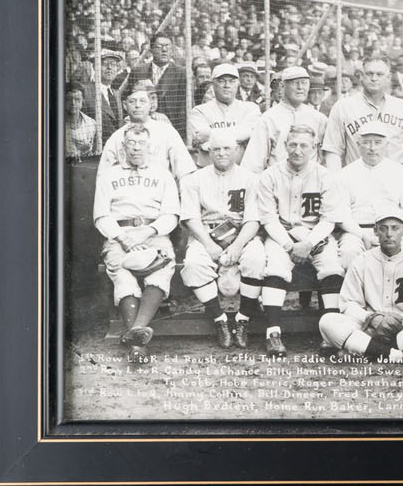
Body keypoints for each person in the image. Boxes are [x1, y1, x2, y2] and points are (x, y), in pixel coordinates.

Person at [252, 124, 349, 357]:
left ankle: (330, 335)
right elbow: (268, 219)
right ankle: (273, 334)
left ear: (314, 148)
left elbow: (329, 219)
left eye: (304, 145)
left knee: (332, 268)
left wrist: (308, 244)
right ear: (285, 146)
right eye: (293, 144)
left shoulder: (325, 176)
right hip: (281, 235)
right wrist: (289, 245)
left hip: (316, 235)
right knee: (275, 267)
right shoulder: (270, 175)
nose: (297, 150)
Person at [94, 124, 181, 363]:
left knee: (161, 269)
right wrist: (124, 239)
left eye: (141, 143)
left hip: (153, 232)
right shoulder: (109, 175)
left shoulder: (162, 173)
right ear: (123, 147)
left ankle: (135, 335)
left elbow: (172, 214)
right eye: (131, 143)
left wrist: (147, 233)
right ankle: (138, 340)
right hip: (119, 233)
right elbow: (101, 215)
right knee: (122, 274)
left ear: (149, 146)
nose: (136, 148)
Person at [317, 209, 403, 363]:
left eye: (395, 228)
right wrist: (371, 318)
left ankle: (366, 351)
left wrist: (400, 319)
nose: (389, 234)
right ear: (375, 231)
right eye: (383, 228)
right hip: (369, 326)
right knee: (328, 321)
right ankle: (400, 356)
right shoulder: (362, 260)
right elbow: (348, 304)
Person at [177, 131, 267, 351]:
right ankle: (221, 321)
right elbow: (190, 218)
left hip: (241, 234)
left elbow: (254, 219)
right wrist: (209, 245)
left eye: (227, 148)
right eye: (216, 149)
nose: (222, 153)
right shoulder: (194, 179)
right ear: (209, 151)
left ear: (236, 150)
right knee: (193, 265)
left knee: (256, 259)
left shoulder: (251, 178)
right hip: (206, 234)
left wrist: (237, 247)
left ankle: (243, 319)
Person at [335, 123, 403, 271]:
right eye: (366, 142)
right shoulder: (345, 174)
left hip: (395, 231)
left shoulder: (400, 172)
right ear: (358, 144)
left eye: (377, 143)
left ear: (386, 145)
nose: (372, 148)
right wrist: (362, 235)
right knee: (349, 252)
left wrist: (395, 232)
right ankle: (354, 293)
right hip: (358, 231)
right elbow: (342, 215)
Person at [323, 58, 403, 171]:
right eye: (369, 74)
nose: (374, 78)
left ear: (388, 78)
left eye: (379, 74)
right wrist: (336, 181)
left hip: (396, 178)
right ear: (361, 76)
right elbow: (332, 150)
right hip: (358, 179)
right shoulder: (343, 107)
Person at [243, 66, 329, 173]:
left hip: (310, 184)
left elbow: (327, 160)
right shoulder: (269, 118)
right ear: (283, 86)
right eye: (295, 83)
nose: (300, 87)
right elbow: (254, 163)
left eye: (304, 83)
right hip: (277, 183)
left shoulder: (319, 119)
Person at [100, 91, 196, 180]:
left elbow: (185, 171)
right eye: (132, 102)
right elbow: (103, 176)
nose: (137, 105)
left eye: (142, 101)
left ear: (150, 105)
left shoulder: (166, 131)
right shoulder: (116, 137)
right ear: (125, 105)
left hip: (159, 192)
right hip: (126, 192)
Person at [187, 63, 260, 162]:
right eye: (221, 81)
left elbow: (248, 132)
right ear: (213, 84)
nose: (227, 86)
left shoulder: (251, 108)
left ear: (238, 83)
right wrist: (238, 137)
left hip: (241, 168)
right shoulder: (199, 111)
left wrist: (210, 134)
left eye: (232, 81)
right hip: (208, 168)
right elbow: (204, 144)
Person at [122, 35, 187, 122]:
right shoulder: (138, 71)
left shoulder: (182, 73)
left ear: (172, 51)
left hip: (171, 126)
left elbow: (185, 107)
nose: (164, 50)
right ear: (151, 50)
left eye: (168, 46)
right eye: (159, 47)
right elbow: (128, 99)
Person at [65, 84, 101, 159]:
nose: (73, 103)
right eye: (69, 99)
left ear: (83, 101)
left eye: (77, 99)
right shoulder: (55, 123)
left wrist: (87, 148)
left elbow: (94, 153)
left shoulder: (91, 123)